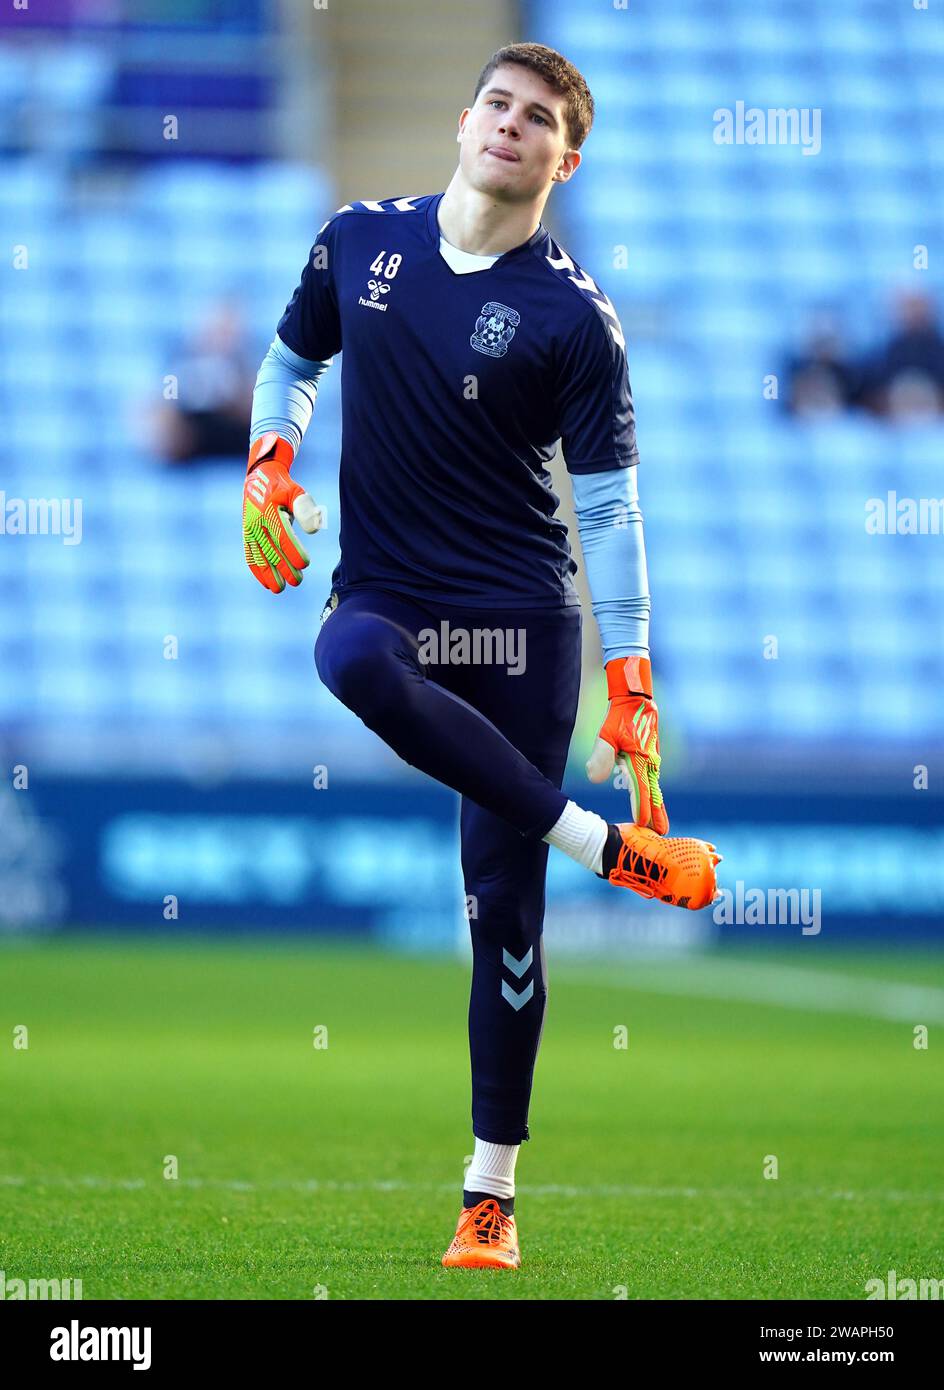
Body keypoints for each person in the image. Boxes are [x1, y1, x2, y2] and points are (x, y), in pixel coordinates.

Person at [242, 42, 721, 1272]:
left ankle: (488, 1195)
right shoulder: (357, 239)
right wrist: (268, 456)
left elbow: (607, 510)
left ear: (567, 156)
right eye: (498, 105)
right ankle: (600, 846)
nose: (512, 125)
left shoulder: (575, 318)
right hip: (390, 596)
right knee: (345, 660)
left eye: (540, 118)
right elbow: (291, 364)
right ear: (462, 122)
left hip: (518, 618)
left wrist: (631, 682)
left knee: (502, 914)